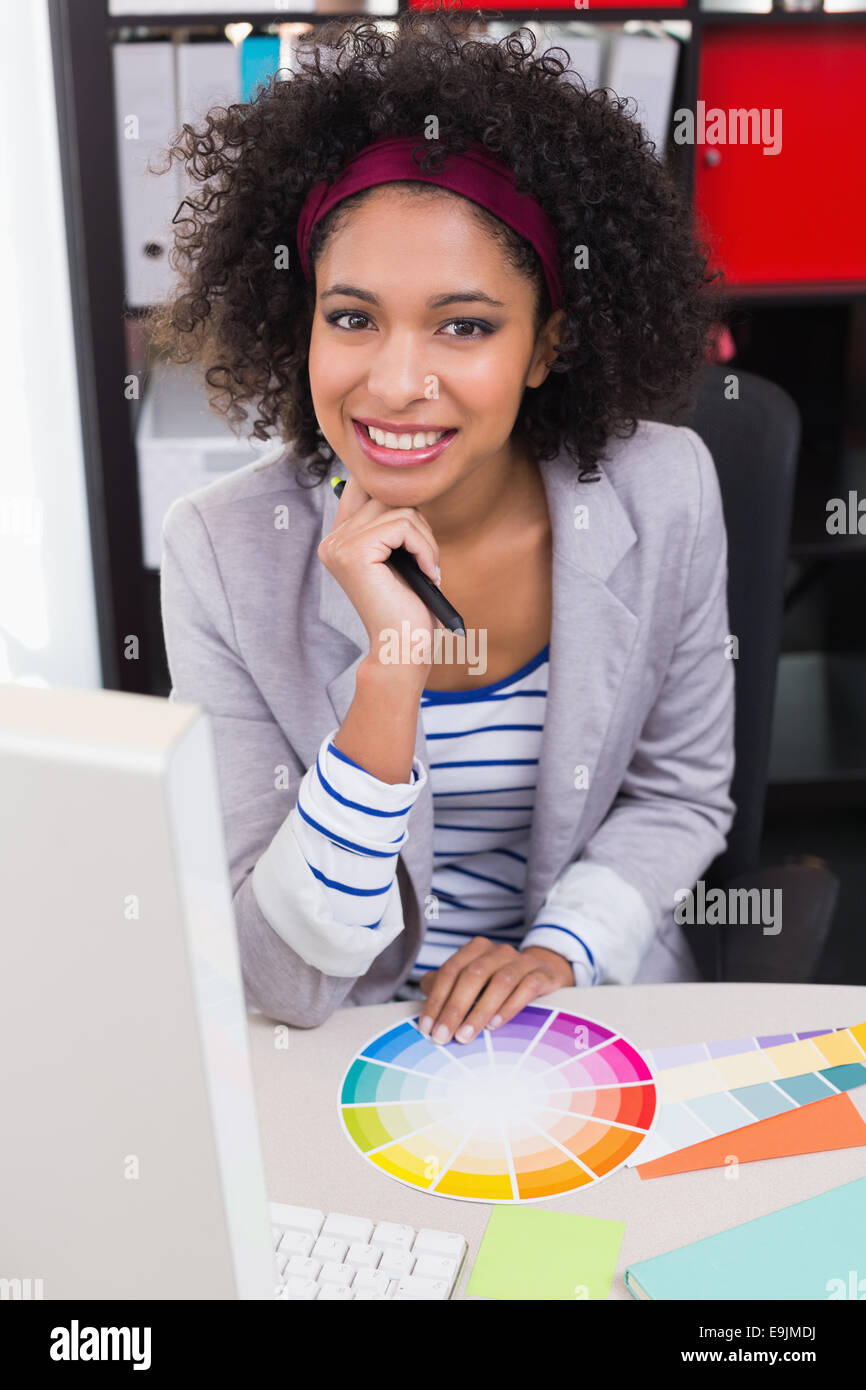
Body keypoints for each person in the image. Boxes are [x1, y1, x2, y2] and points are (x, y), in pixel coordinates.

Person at [154, 9, 735, 1038]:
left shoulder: (665, 490)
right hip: (351, 1024)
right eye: (352, 316)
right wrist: (390, 666)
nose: (394, 382)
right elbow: (275, 978)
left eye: (462, 325)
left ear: (546, 344)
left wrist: (559, 950)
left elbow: (679, 796)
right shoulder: (219, 553)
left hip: (594, 991)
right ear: (303, 327)